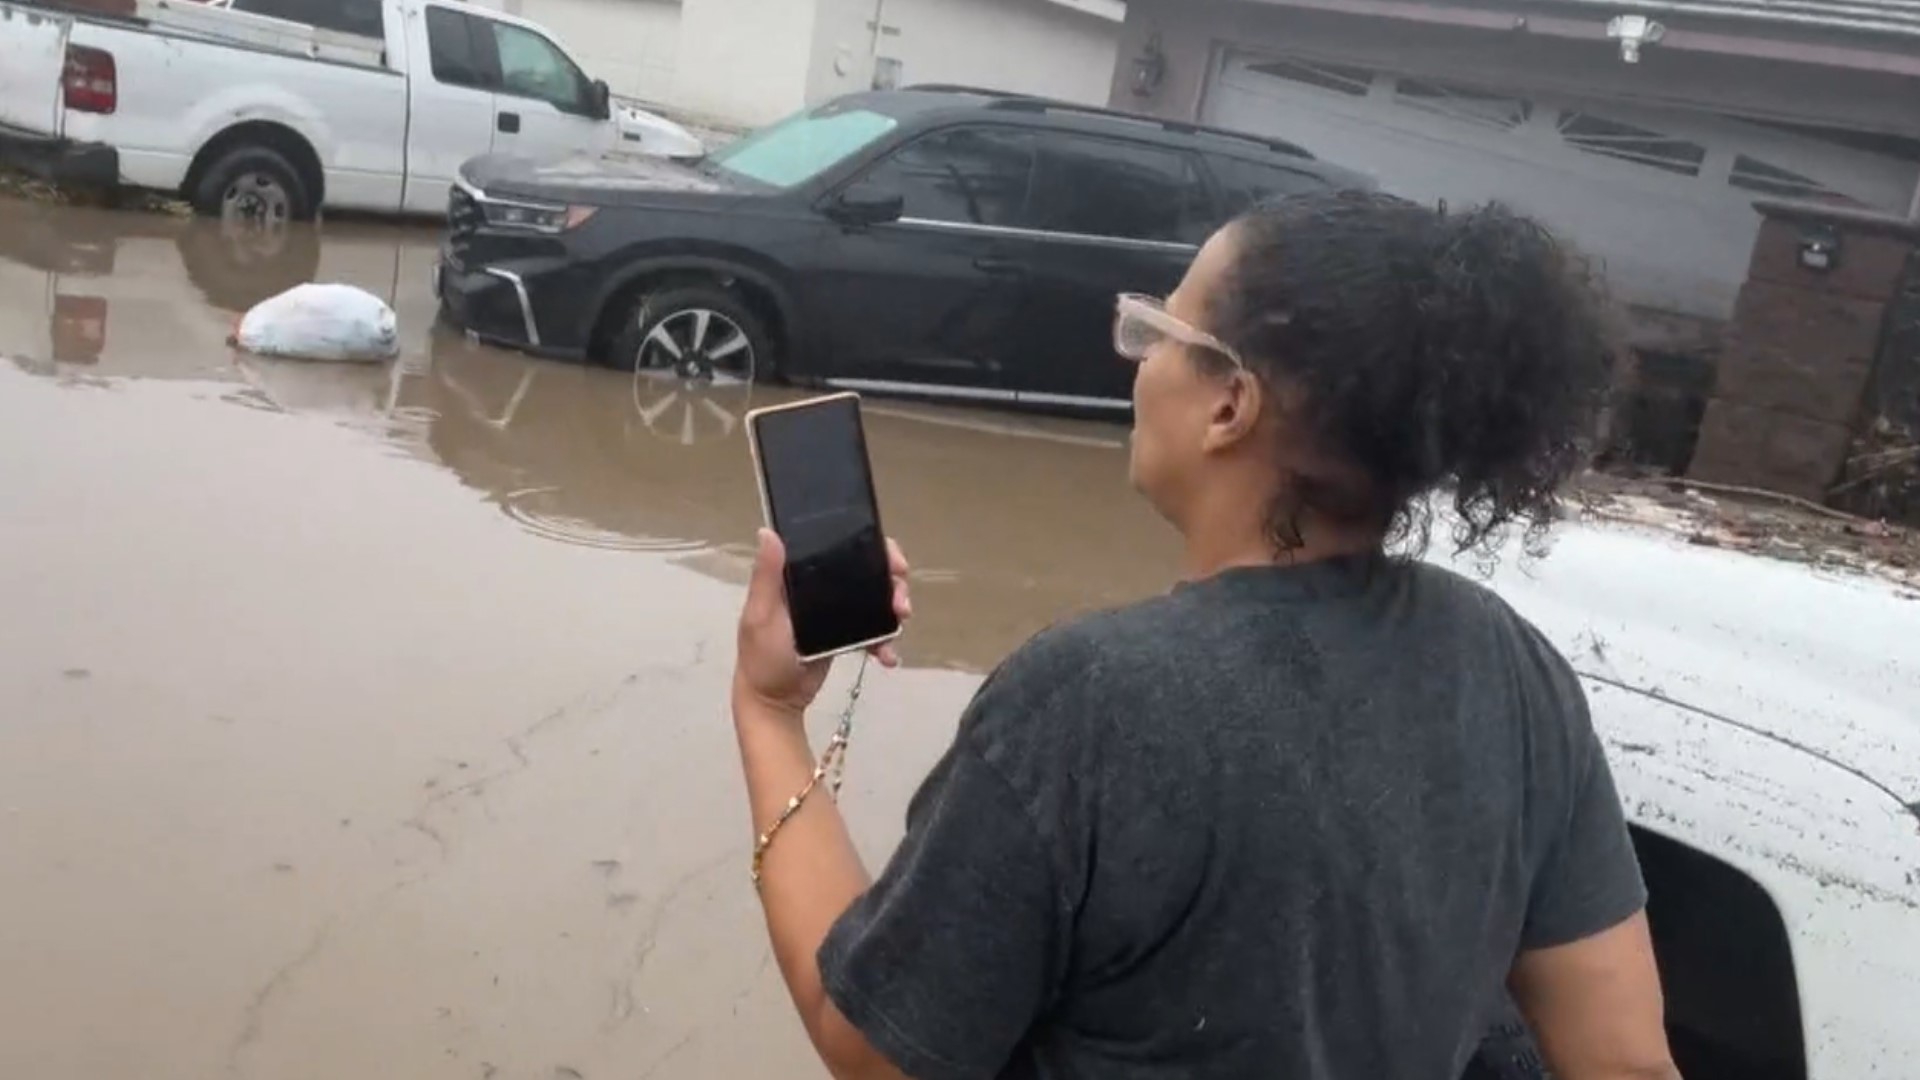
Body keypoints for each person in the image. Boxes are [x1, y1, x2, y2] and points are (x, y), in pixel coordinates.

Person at [729, 189, 1680, 1080]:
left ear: (1230, 403)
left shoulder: (1090, 702)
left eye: (1155, 332)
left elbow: (875, 1047)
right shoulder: (1509, 665)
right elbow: (1626, 1061)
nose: (1136, 360)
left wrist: (770, 712)